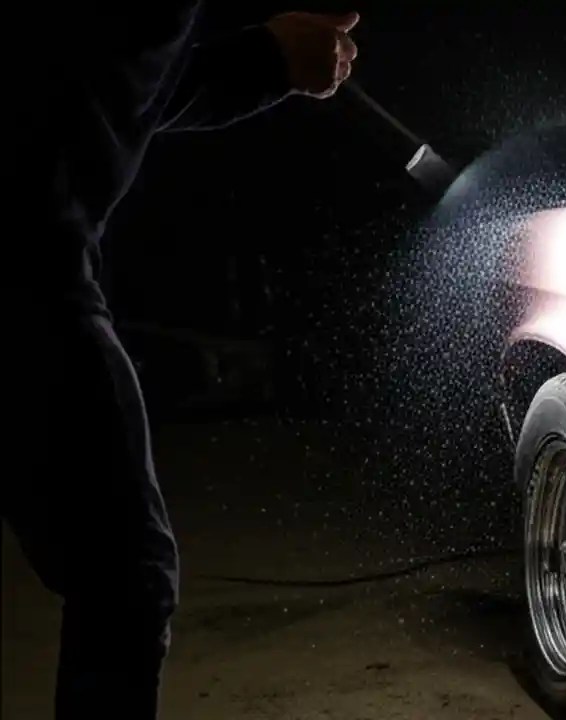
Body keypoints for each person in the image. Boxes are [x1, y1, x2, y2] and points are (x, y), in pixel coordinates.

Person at [6, 4, 360, 718]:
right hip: (25, 263)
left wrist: (269, 61)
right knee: (126, 574)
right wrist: (267, 60)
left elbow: (131, 86)